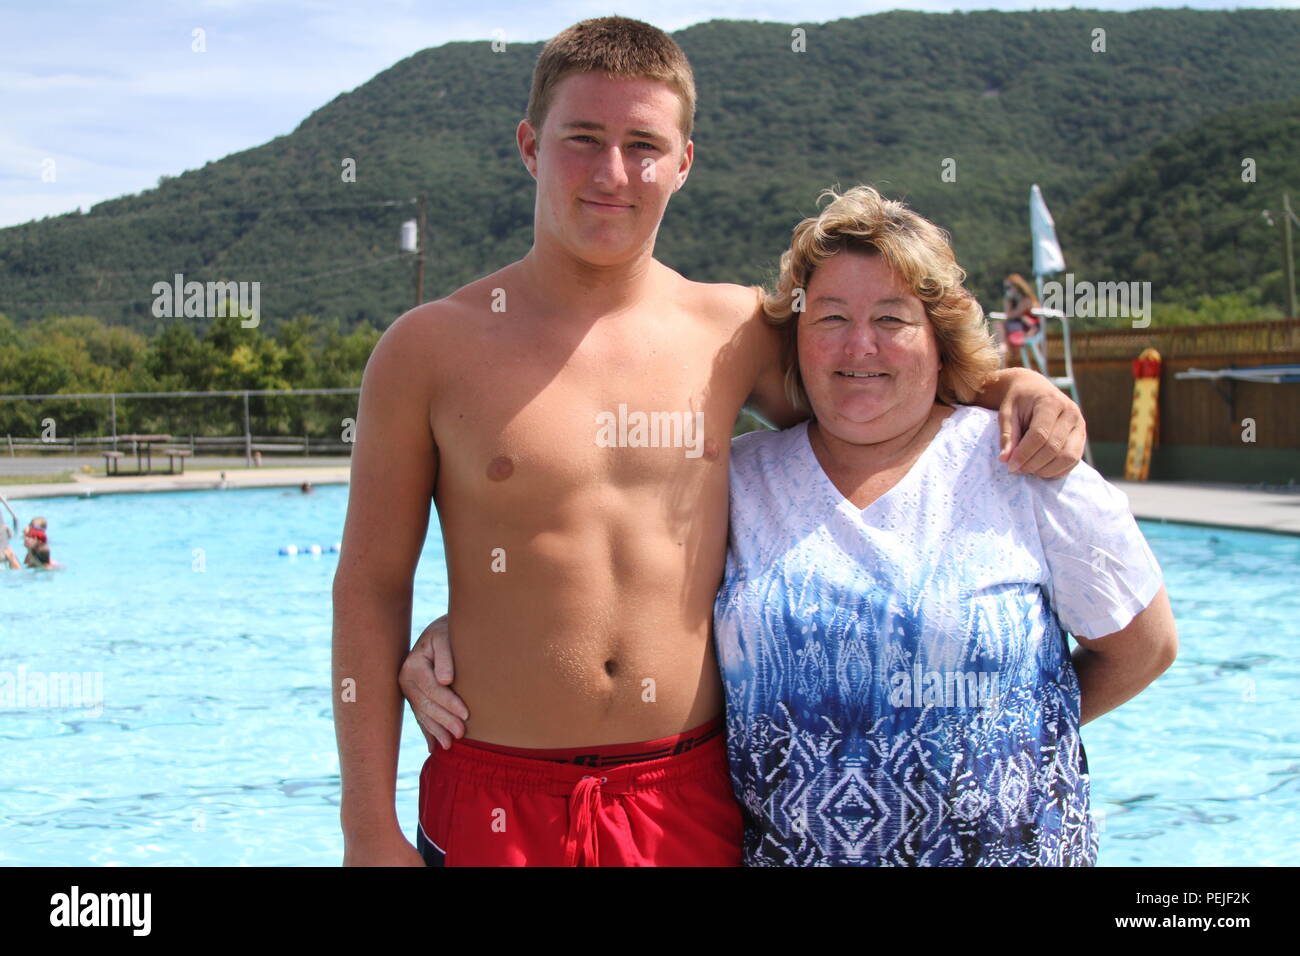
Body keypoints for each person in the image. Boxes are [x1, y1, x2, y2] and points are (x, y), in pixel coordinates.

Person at [335, 16, 1087, 868]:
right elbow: (369, 584)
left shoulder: (733, 330)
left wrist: (1007, 386)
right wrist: (367, 828)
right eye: (583, 138)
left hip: (686, 794)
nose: (612, 172)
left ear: (683, 162)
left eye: (643, 145)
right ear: (529, 146)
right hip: (497, 794)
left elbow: (873, 379)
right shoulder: (428, 349)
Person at [411, 185, 1178, 866]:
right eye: (832, 318)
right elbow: (611, 575)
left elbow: (1142, 647)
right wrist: (468, 635)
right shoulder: (740, 479)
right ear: (795, 340)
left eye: (891, 319)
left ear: (937, 336)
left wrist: (995, 728)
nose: (859, 346)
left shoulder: (1021, 462)